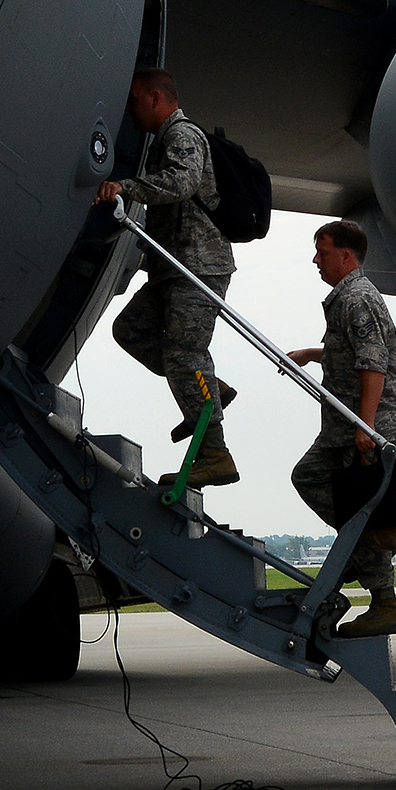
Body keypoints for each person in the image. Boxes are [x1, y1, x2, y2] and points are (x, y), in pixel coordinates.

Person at [97, 68, 237, 487]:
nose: (131, 110)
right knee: (131, 331)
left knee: (184, 355)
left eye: (136, 99)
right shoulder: (162, 141)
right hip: (169, 268)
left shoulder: (183, 136)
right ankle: (207, 392)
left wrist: (127, 187)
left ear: (156, 97)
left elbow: (183, 181)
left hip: (196, 267)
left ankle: (215, 454)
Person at [286, 220, 396, 638]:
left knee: (360, 509)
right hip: (347, 425)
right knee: (319, 483)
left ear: (346, 256)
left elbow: (374, 361)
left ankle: (382, 597)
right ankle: (362, 559)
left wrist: (367, 425)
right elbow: (352, 350)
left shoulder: (356, 298)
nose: (316, 260)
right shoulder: (347, 299)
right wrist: (313, 353)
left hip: (366, 424)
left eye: (322, 252)